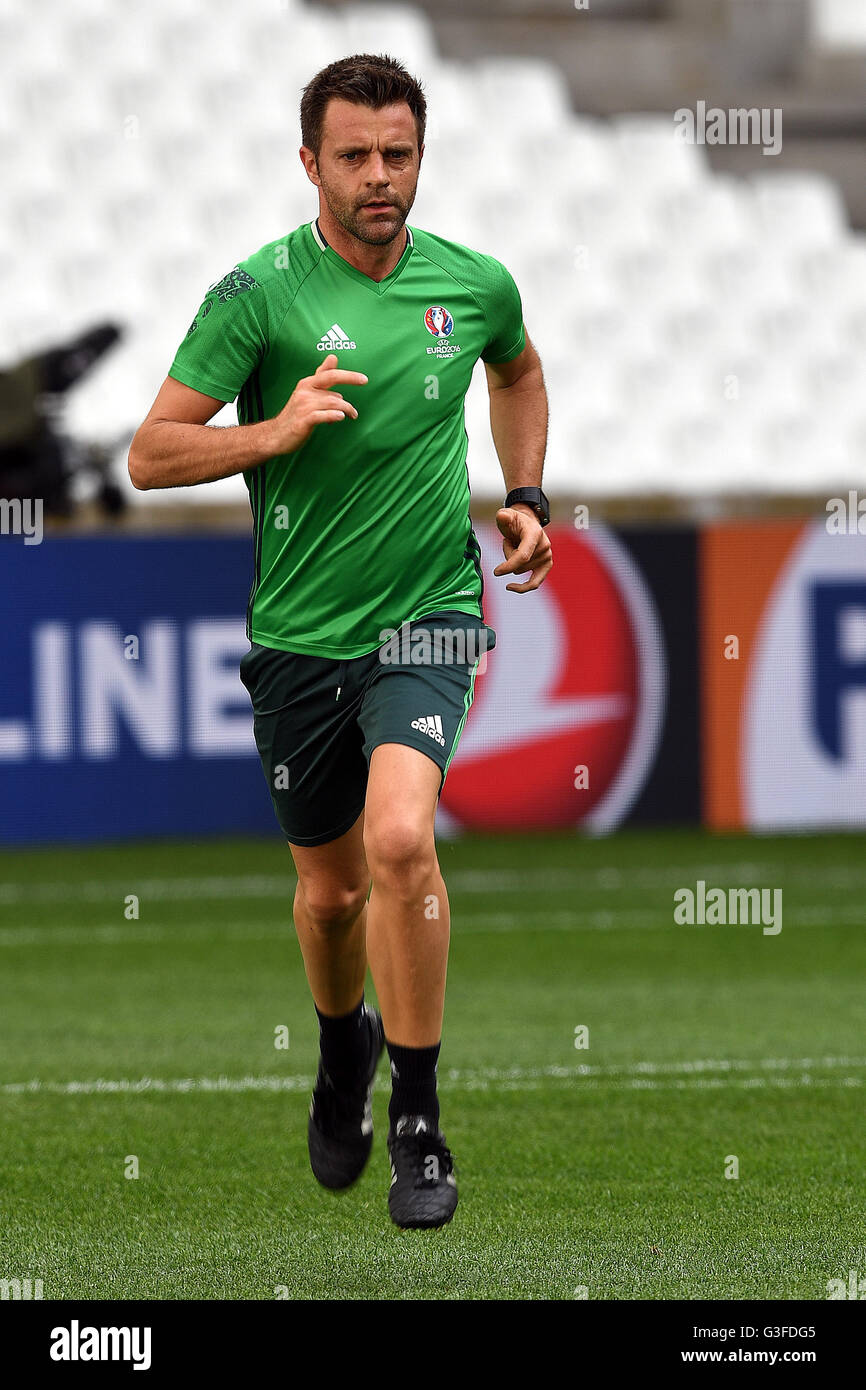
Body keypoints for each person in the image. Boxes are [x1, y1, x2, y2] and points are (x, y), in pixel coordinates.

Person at [129, 52, 552, 1229]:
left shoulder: (471, 284)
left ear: (421, 155)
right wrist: (268, 432)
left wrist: (527, 494)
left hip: (427, 615)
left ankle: (418, 1118)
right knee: (327, 900)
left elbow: (515, 368)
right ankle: (339, 1048)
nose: (380, 178)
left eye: (398, 154)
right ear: (309, 161)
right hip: (297, 640)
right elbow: (149, 454)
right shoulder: (255, 295)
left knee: (400, 840)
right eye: (355, 156)